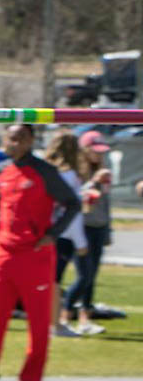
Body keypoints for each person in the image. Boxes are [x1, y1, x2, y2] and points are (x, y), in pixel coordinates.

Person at [0, 125, 79, 381]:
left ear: (31, 141)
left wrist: (52, 234)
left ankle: (31, 377)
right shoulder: (4, 171)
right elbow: (1, 207)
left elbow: (73, 203)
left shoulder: (45, 171)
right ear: (4, 141)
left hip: (34, 256)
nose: (16, 143)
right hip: (3, 255)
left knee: (38, 320)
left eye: (22, 138)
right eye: (11, 138)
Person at [43, 131, 93, 338]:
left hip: (46, 229)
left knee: (47, 280)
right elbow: (71, 211)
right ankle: (55, 325)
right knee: (55, 281)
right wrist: (80, 241)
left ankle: (49, 322)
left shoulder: (48, 170)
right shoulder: (70, 175)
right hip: (61, 234)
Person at [67, 131, 113, 325]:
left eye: (102, 152)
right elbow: (76, 197)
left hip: (99, 227)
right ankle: (65, 312)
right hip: (82, 227)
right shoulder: (76, 170)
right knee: (84, 275)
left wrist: (109, 228)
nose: (100, 155)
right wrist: (94, 181)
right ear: (85, 150)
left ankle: (86, 315)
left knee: (92, 275)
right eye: (96, 151)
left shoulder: (103, 170)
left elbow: (105, 203)